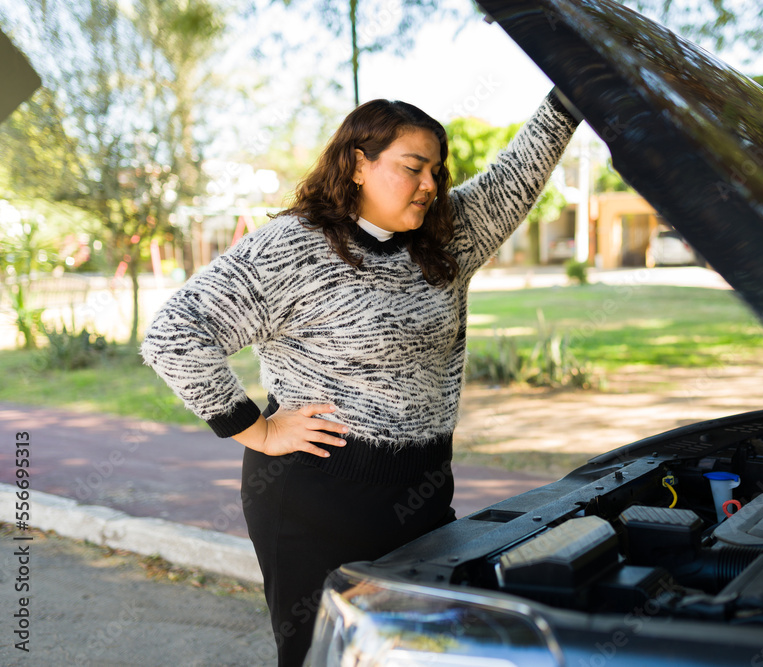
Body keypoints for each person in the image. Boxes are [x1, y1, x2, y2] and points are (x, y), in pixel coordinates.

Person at [140, 88, 580, 666]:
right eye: (412, 167)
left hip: (422, 490)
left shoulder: (448, 236)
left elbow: (518, 170)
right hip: (314, 499)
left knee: (418, 653)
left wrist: (577, 88)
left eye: (436, 170)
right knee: (326, 657)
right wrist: (260, 431)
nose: (430, 184)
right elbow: (174, 335)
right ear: (356, 165)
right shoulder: (292, 247)